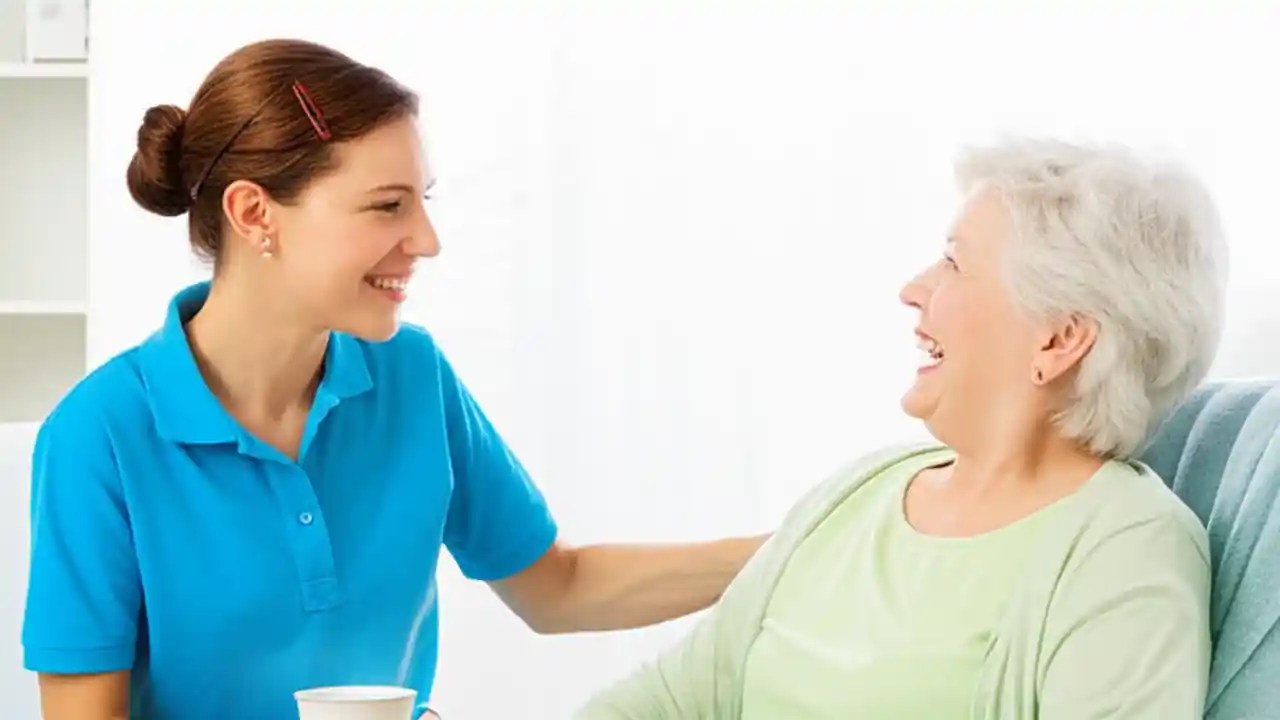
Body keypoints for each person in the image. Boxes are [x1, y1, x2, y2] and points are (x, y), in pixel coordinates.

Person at [22, 38, 767, 720]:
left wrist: (796, 546)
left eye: (421, 202)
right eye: (387, 206)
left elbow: (557, 588)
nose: (426, 240)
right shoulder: (101, 434)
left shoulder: (412, 375)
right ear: (254, 213)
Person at [577, 138, 1227, 719]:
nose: (913, 290)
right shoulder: (858, 494)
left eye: (953, 263)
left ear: (1059, 340)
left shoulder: (1126, 551)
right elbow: (669, 701)